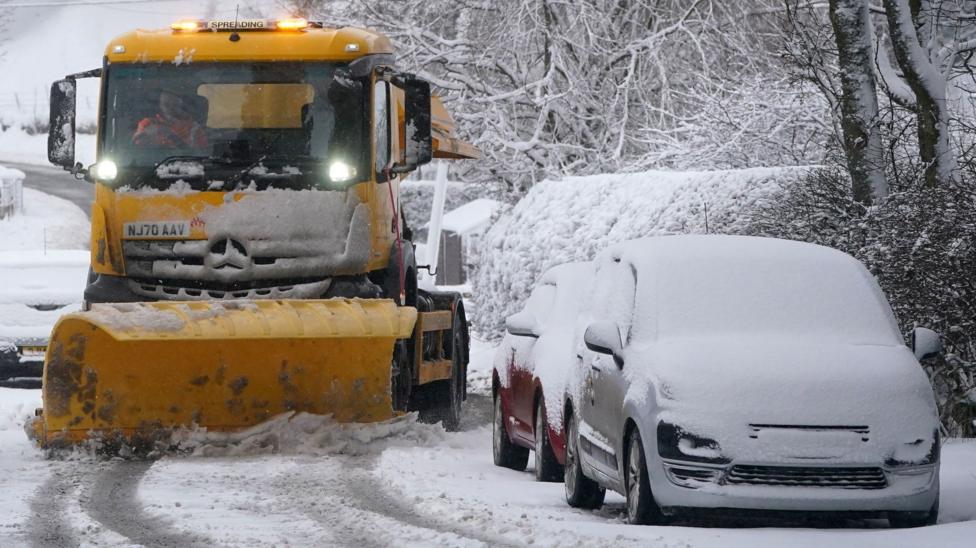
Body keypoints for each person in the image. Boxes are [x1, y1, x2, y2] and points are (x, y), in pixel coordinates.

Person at [132, 89, 208, 148]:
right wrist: (147, 134)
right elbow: (137, 150)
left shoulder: (193, 128)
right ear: (160, 106)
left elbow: (201, 154)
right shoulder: (147, 124)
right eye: (166, 104)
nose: (170, 108)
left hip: (187, 167)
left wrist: (170, 134)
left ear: (181, 105)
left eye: (174, 104)